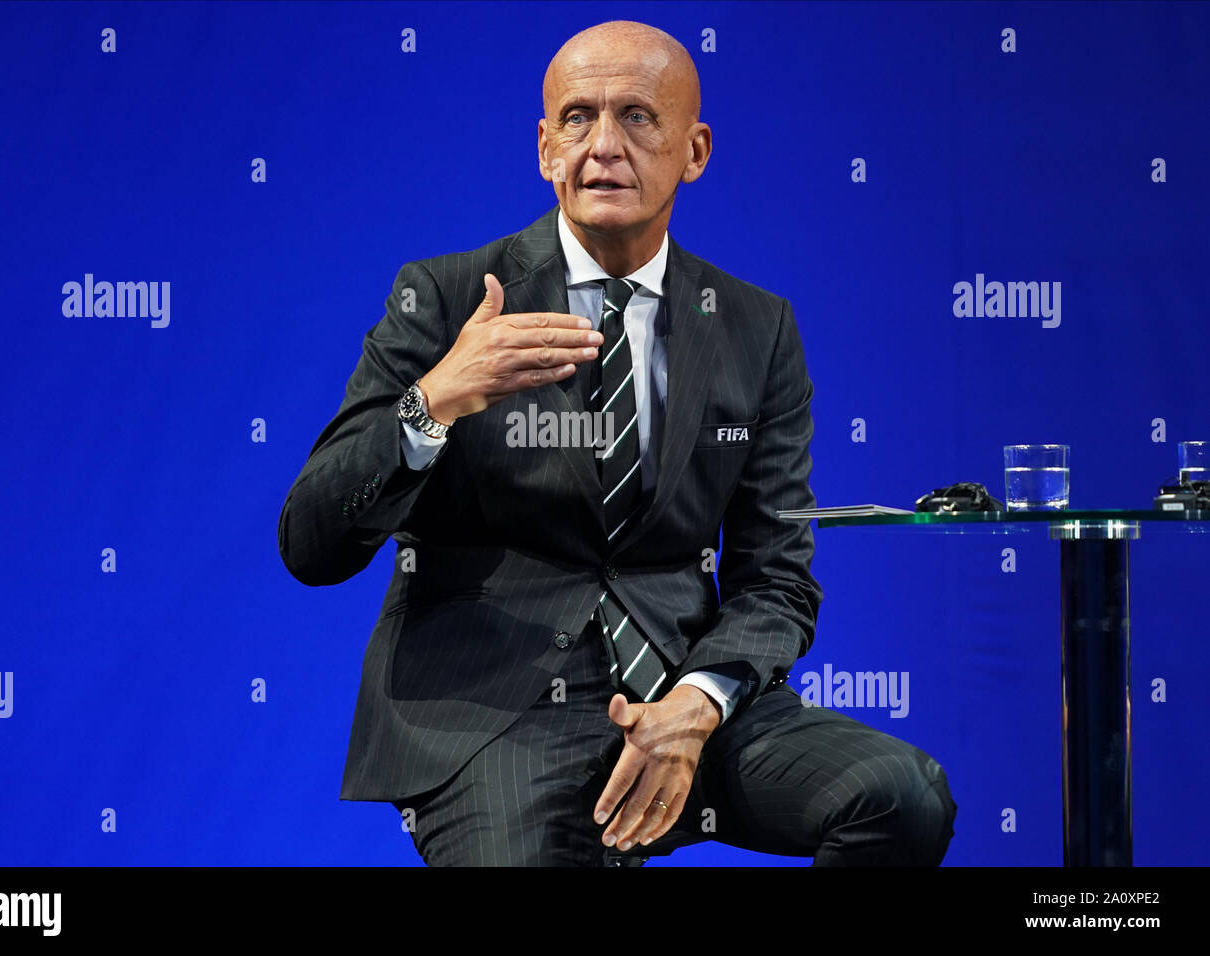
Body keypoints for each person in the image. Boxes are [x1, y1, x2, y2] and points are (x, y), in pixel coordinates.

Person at [278, 19, 956, 866]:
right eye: (576, 118)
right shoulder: (445, 299)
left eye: (637, 117)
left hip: (681, 698)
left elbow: (777, 576)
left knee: (901, 798)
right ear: (543, 148)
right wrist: (435, 400)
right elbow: (311, 544)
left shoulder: (755, 327)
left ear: (694, 149)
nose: (602, 146)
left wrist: (698, 703)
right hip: (493, 718)